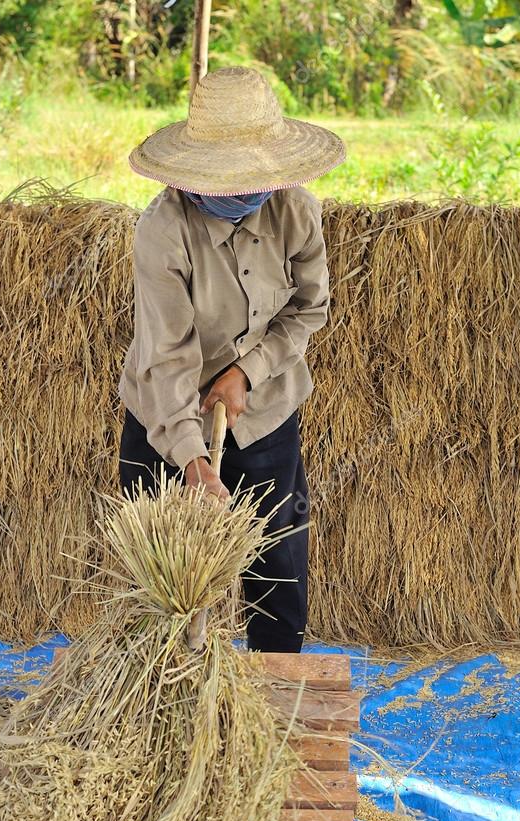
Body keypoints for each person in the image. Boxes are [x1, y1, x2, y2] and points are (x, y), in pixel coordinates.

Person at [118, 66, 346, 654]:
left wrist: (247, 371)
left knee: (278, 567)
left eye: (253, 182)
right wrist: (193, 462)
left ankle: (270, 697)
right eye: (229, 185)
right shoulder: (163, 232)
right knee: (162, 594)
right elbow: (165, 356)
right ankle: (160, 704)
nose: (245, 196)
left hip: (266, 413)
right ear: (194, 179)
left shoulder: (295, 211)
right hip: (170, 422)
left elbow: (309, 308)